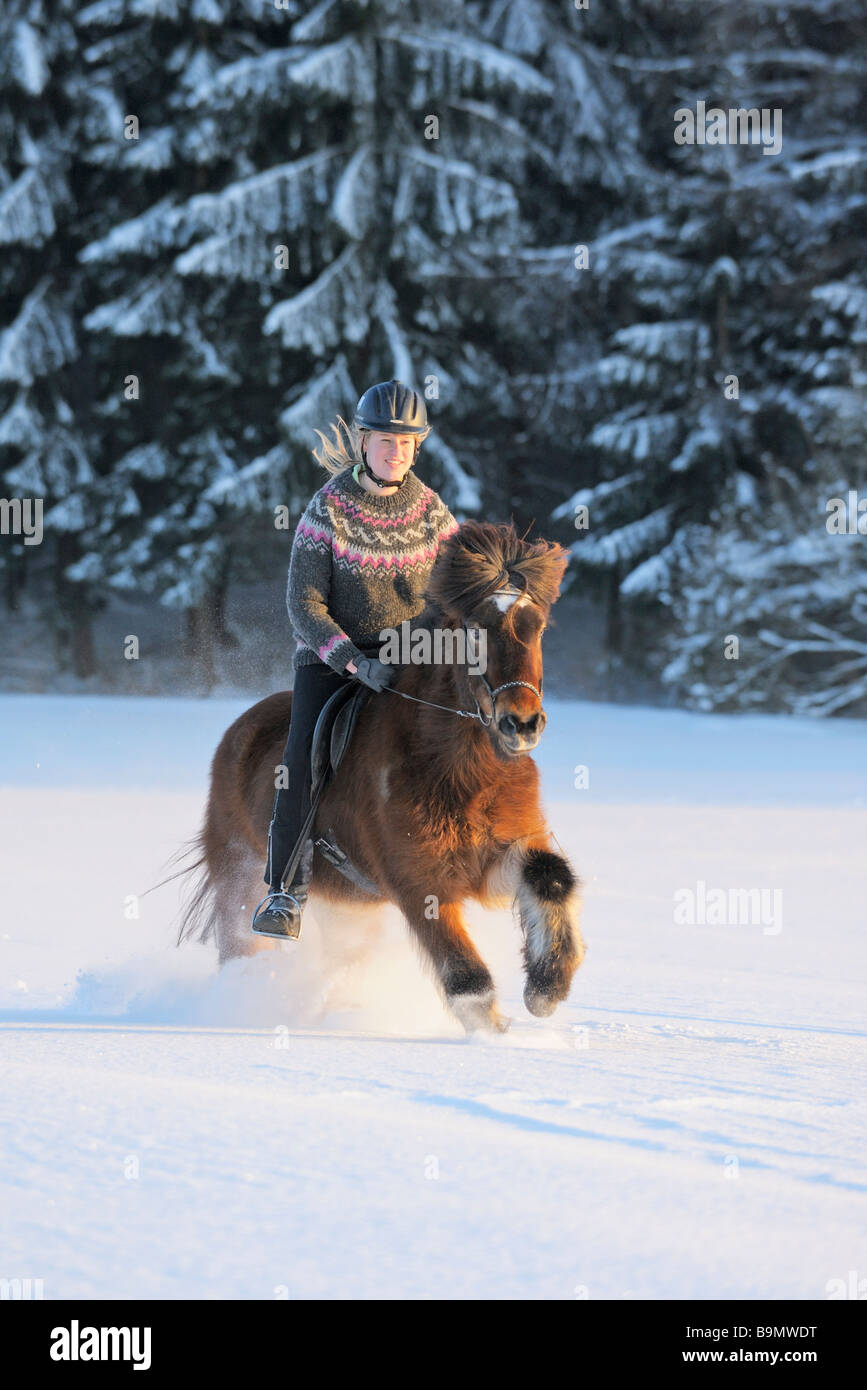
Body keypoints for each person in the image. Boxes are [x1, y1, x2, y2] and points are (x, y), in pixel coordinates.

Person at [251, 379, 459, 939]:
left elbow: (453, 593)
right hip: (332, 657)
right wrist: (351, 660)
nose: (397, 452)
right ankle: (284, 893)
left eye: (407, 443)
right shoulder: (329, 508)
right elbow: (303, 603)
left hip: (414, 654)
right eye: (386, 441)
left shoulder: (434, 514)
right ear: (363, 442)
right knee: (303, 757)